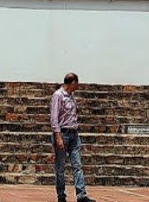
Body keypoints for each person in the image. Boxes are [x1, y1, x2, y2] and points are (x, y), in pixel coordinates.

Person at [51, 72, 95, 202]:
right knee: (60, 167)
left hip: (74, 134)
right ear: (73, 83)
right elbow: (54, 118)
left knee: (77, 165)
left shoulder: (71, 96)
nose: (78, 86)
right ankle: (61, 196)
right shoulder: (58, 96)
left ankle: (81, 195)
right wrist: (58, 136)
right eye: (77, 83)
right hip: (63, 134)